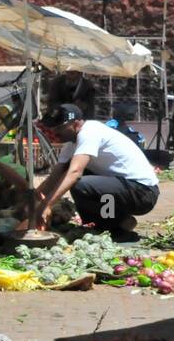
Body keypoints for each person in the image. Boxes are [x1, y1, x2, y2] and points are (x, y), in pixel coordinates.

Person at [20, 103, 159, 242]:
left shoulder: (90, 132)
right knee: (74, 176)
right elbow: (54, 177)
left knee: (79, 183)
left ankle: (113, 228)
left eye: (60, 129)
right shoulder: (71, 143)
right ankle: (120, 221)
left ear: (75, 123)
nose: (56, 133)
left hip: (143, 192)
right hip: (122, 188)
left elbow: (75, 173)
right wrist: (32, 200)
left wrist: (46, 205)